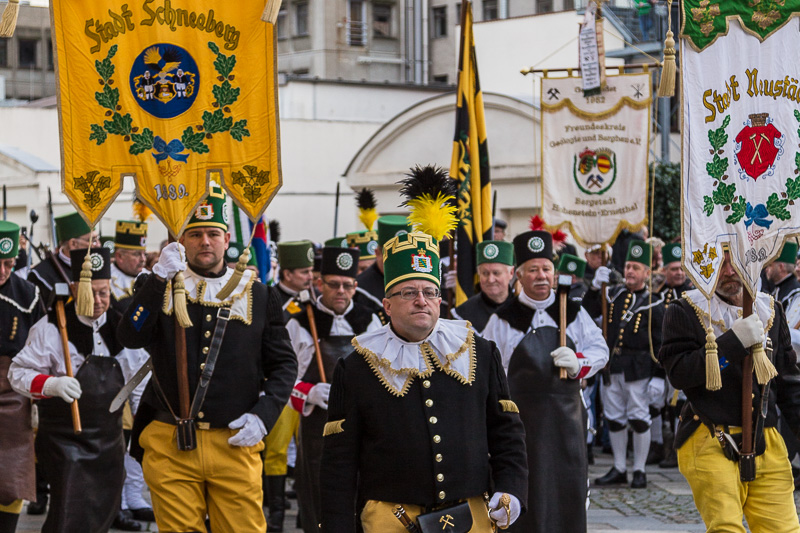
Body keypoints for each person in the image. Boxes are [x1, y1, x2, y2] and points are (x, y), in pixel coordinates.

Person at [117, 186, 297, 533]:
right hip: (169, 439)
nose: (205, 242)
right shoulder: (161, 285)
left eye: (213, 234)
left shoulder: (259, 294)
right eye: (195, 234)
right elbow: (131, 335)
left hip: (234, 439)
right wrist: (157, 280)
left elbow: (284, 366)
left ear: (227, 238)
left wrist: (264, 415)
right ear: (181, 240)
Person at [320, 231, 528, 532]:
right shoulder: (356, 366)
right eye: (408, 292)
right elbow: (338, 461)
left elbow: (506, 431)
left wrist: (512, 489)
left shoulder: (481, 352)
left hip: (470, 515)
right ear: (387, 305)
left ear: (440, 300)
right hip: (390, 518)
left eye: (429, 292)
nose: (421, 301)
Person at [9, 247, 149, 533]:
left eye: (104, 293)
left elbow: (138, 383)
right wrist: (52, 384)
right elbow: (17, 373)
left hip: (109, 441)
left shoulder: (121, 326)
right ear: (74, 288)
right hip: (64, 440)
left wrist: (142, 429)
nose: (98, 301)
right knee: (68, 513)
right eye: (91, 292)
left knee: (102, 511)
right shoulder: (50, 327)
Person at [659, 249, 800, 532]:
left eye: (735, 262)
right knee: (726, 527)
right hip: (710, 435)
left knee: (783, 529)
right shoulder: (684, 310)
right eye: (720, 262)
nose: (729, 271)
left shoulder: (772, 309)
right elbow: (680, 373)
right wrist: (733, 343)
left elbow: (788, 385)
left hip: (766, 438)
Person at [482, 230, 608, 533]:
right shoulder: (502, 319)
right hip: (519, 420)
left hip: (566, 420)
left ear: (555, 272)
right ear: (519, 276)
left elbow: (600, 351)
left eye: (546, 269)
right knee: (528, 489)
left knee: (567, 489)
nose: (541, 276)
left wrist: (579, 364)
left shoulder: (572, 312)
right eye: (533, 270)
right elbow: (485, 368)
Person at [287, 246, 382, 531]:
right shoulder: (300, 322)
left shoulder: (371, 321)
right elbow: (281, 378)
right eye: (333, 284)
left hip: (363, 425)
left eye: (348, 285)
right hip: (318, 428)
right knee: (319, 496)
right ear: (319, 284)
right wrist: (309, 391)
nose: (341, 291)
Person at [585, 240, 664, 489]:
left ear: (647, 273)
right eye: (628, 267)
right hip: (613, 366)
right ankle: (619, 467)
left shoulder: (656, 303)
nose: (630, 272)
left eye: (636, 268)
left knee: (639, 418)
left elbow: (662, 343)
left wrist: (660, 376)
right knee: (615, 418)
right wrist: (595, 287)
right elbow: (585, 312)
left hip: (639, 368)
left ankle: (639, 469)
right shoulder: (614, 296)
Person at [0, 222, 42, 533]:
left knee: (11, 475)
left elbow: (42, 345)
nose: (2, 272)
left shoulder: (27, 294)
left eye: (8, 264)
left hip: (13, 390)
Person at [649, 241, 693, 467]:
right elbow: (655, 334)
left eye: (681, 269)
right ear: (664, 271)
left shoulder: (695, 294)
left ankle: (680, 448)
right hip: (663, 360)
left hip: (688, 359)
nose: (678, 273)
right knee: (663, 405)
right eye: (673, 269)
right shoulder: (657, 297)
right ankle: (660, 446)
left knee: (682, 406)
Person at [28, 212, 99, 312]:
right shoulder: (40, 275)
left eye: (97, 239)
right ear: (73, 243)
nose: (98, 245)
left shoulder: (98, 267)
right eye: (93, 240)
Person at [353, 215, 412, 321]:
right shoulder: (361, 290)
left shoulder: (416, 280)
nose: (398, 262)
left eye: (403, 256)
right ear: (378, 253)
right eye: (392, 256)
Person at [451, 240, 515, 333]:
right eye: (485, 273)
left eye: (496, 273)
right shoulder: (463, 315)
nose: (490, 279)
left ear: (511, 273)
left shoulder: (523, 308)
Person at [109, 220, 148, 311]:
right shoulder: (107, 280)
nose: (143, 259)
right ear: (120, 256)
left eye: (144, 254)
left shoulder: (151, 276)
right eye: (137, 254)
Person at [276, 240, 316, 319]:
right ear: (287, 275)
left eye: (311, 271)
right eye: (305, 272)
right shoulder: (271, 299)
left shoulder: (316, 296)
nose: (311, 277)